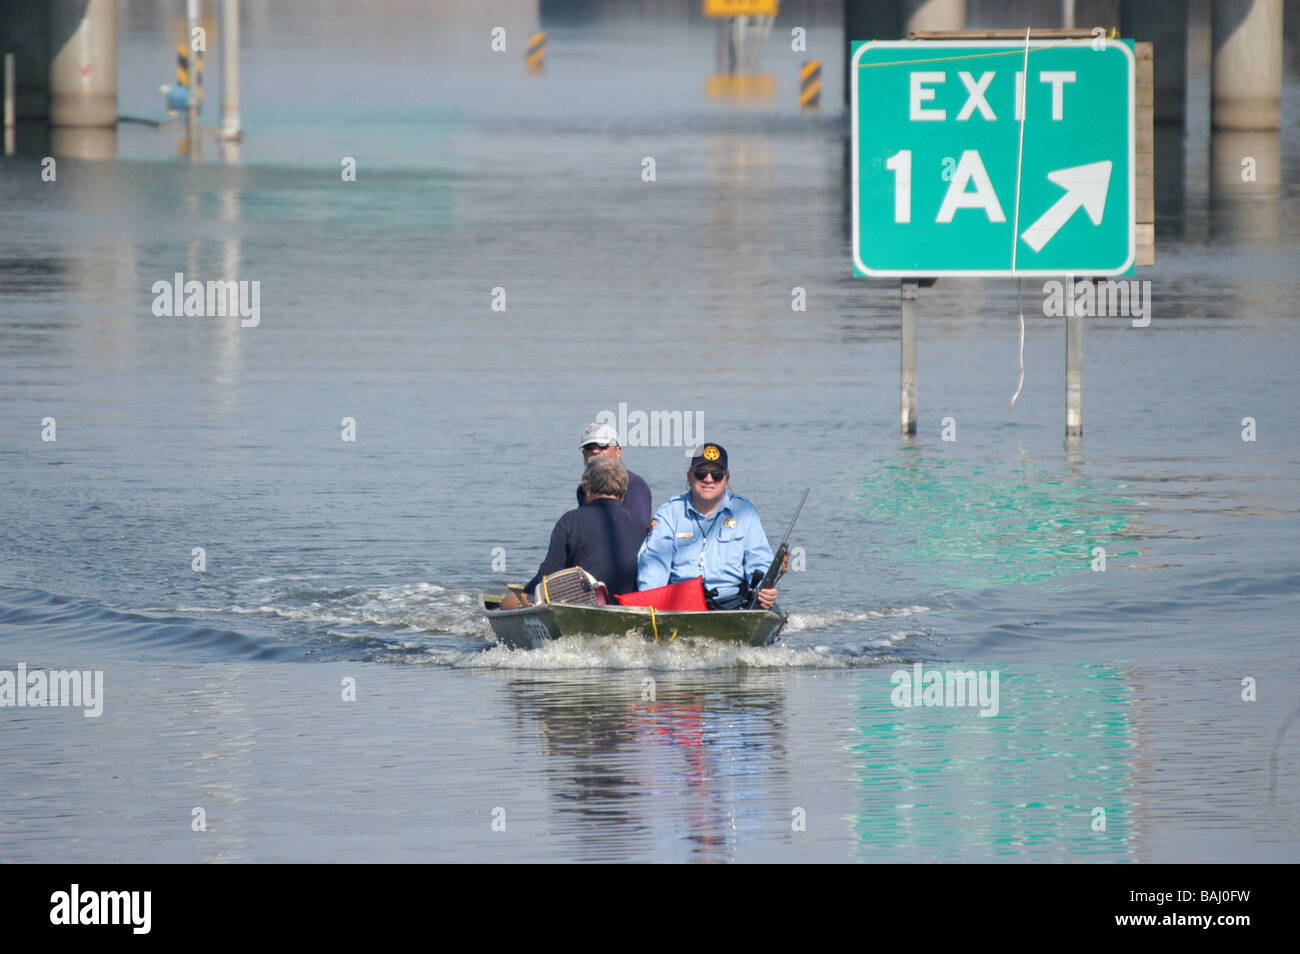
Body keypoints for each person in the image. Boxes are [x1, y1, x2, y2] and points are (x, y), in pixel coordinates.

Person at [637, 443, 778, 610]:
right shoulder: (669, 513)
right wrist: (651, 605)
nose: (708, 479)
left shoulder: (746, 511)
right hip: (681, 605)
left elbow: (760, 560)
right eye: (701, 473)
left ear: (727, 479)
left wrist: (765, 589)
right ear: (689, 476)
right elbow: (653, 565)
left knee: (773, 615)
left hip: (734, 604)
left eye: (717, 474)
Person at [499, 457, 647, 610]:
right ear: (622, 496)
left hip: (578, 610)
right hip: (626, 609)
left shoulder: (569, 520)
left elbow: (547, 576)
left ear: (587, 491)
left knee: (508, 602)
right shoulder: (642, 526)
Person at [577, 423, 652, 528]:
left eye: (603, 445)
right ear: (583, 454)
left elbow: (639, 531)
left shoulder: (634, 486)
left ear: (618, 451)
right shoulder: (583, 489)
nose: (595, 451)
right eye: (589, 447)